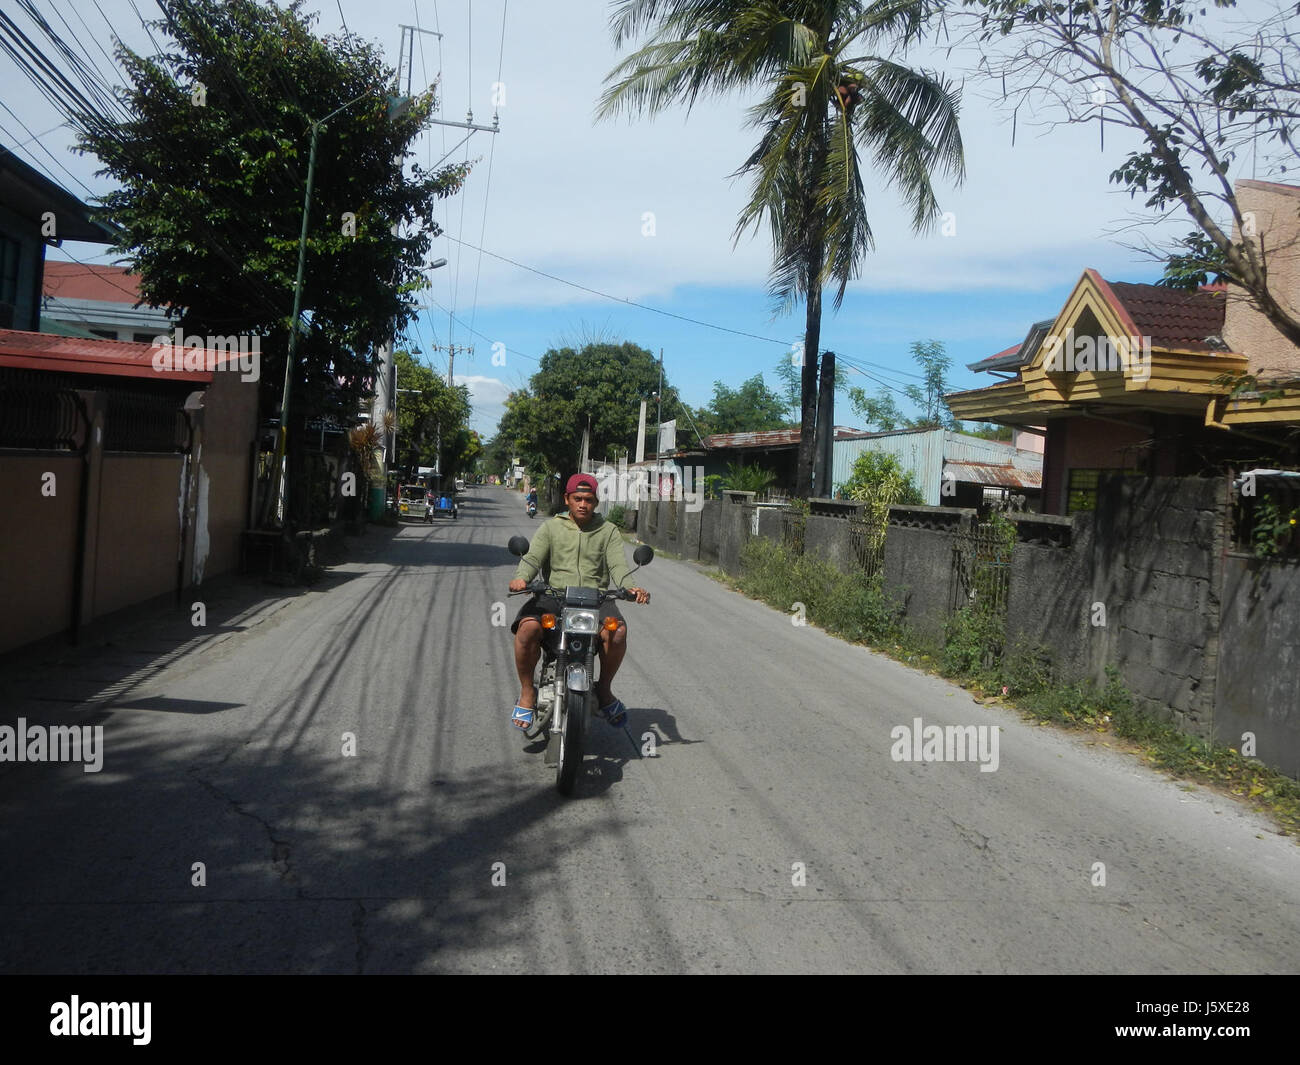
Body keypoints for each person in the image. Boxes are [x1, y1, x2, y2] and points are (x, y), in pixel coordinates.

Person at [508, 473, 649, 730]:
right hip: (554, 595)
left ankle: (604, 690)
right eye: (577, 499)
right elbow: (532, 558)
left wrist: (631, 588)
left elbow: (618, 565)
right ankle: (528, 692)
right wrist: (521, 578)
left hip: (596, 598)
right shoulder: (551, 527)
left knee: (617, 633)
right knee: (527, 628)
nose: (583, 504)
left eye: (589, 500)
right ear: (567, 499)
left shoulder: (608, 531)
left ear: (596, 502)